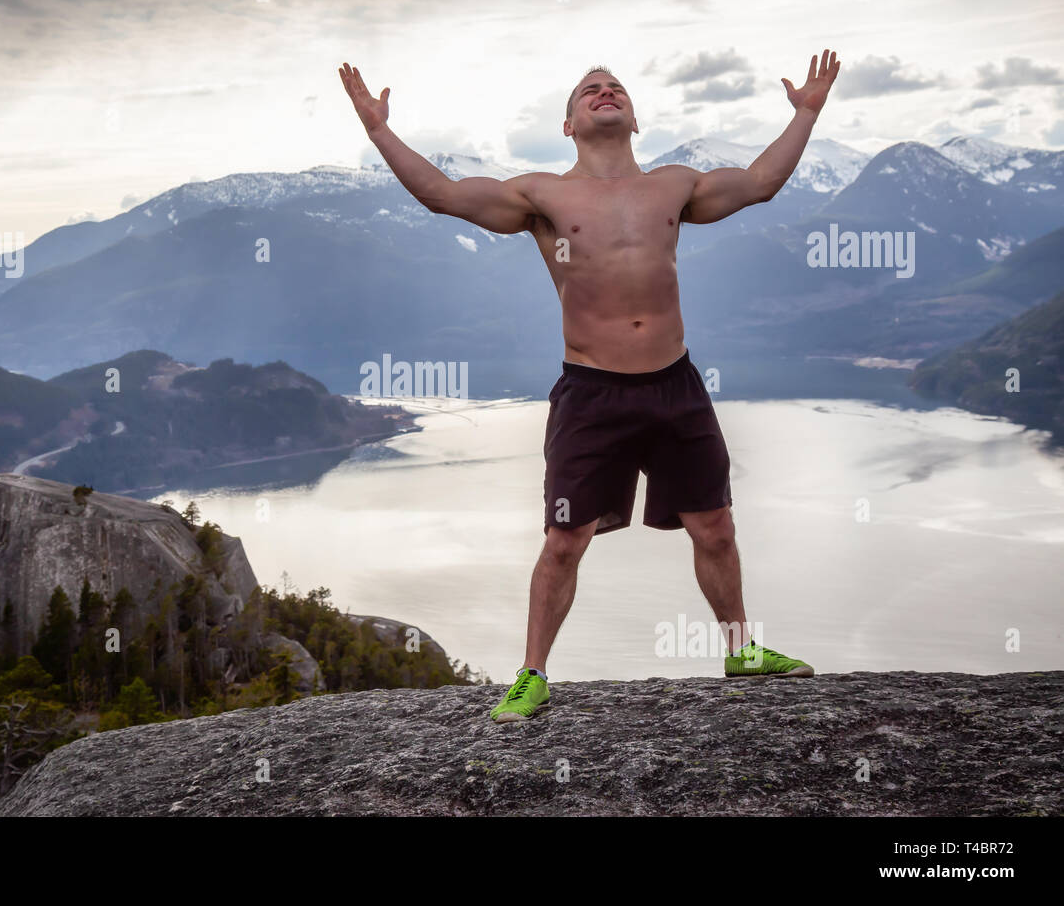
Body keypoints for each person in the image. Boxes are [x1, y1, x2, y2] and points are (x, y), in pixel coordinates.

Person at [338, 50, 840, 721]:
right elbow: (443, 195)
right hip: (592, 391)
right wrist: (378, 130)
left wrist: (806, 113)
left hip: (676, 386)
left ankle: (741, 649)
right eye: (590, 90)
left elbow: (758, 183)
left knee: (715, 526)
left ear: (633, 116)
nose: (606, 92)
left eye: (617, 88)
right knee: (565, 539)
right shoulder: (542, 195)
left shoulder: (674, 186)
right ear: (569, 124)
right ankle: (533, 674)